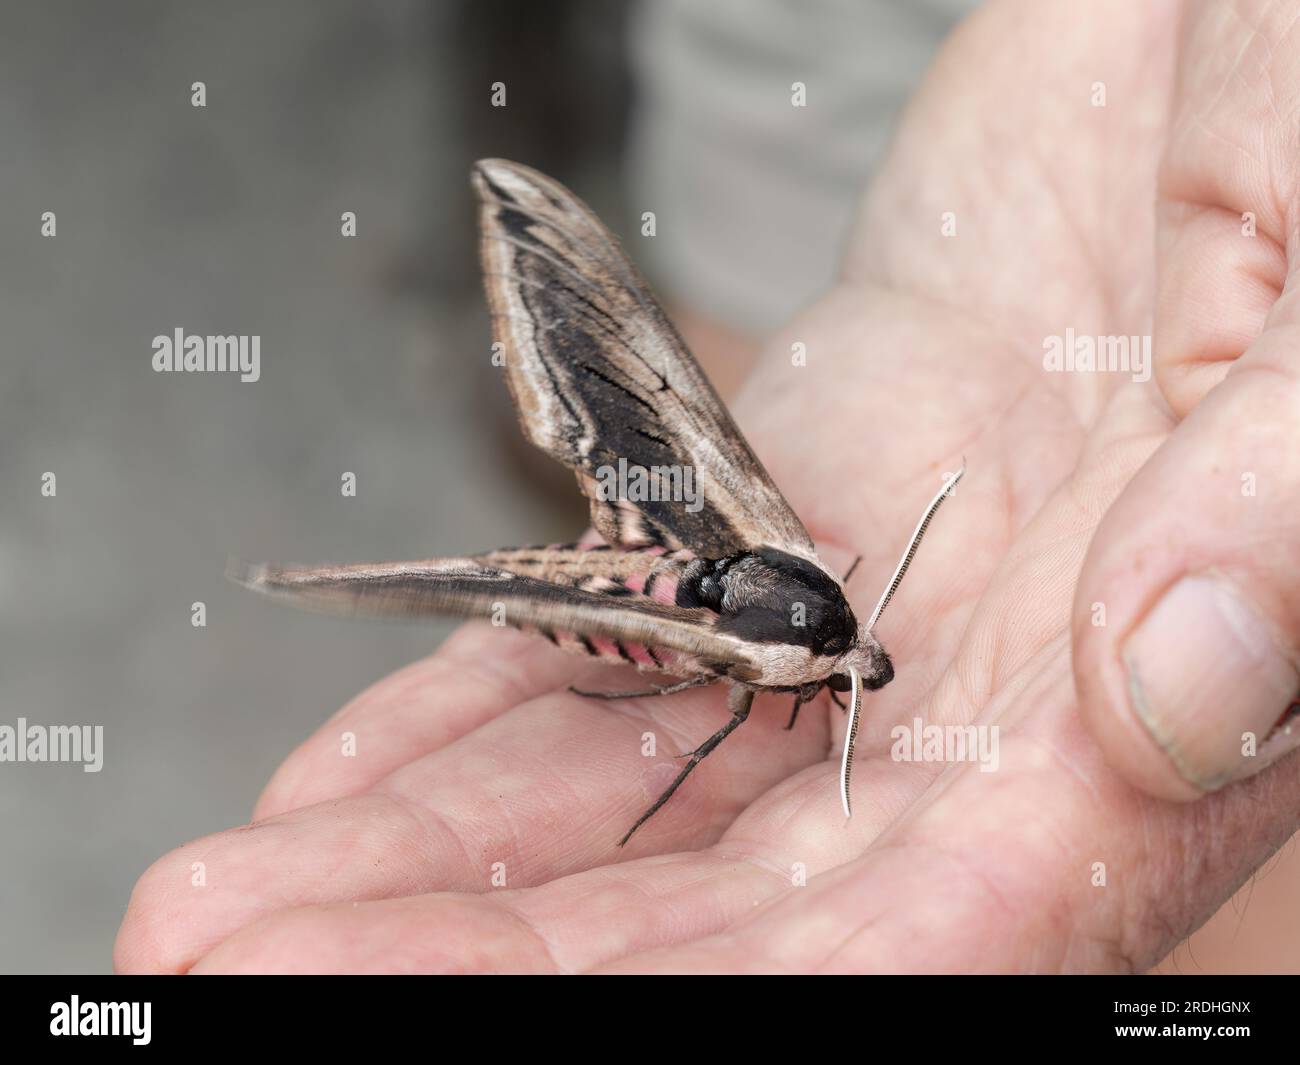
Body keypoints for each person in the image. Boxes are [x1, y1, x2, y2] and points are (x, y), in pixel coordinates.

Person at [116, 0, 1300, 972]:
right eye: (852, 673)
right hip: (682, 558)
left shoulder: (814, 618)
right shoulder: (790, 655)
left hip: (706, 537)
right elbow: (750, 685)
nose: (861, 674)